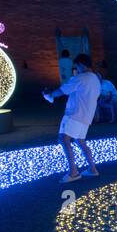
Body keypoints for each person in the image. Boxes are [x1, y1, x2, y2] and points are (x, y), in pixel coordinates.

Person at [43, 52, 101, 183]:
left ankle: (73, 172)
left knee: (63, 139)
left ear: (81, 64)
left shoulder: (80, 78)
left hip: (74, 114)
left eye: (77, 66)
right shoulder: (95, 79)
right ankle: (92, 169)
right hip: (86, 116)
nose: (76, 69)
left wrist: (50, 95)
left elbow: (63, 90)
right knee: (80, 141)